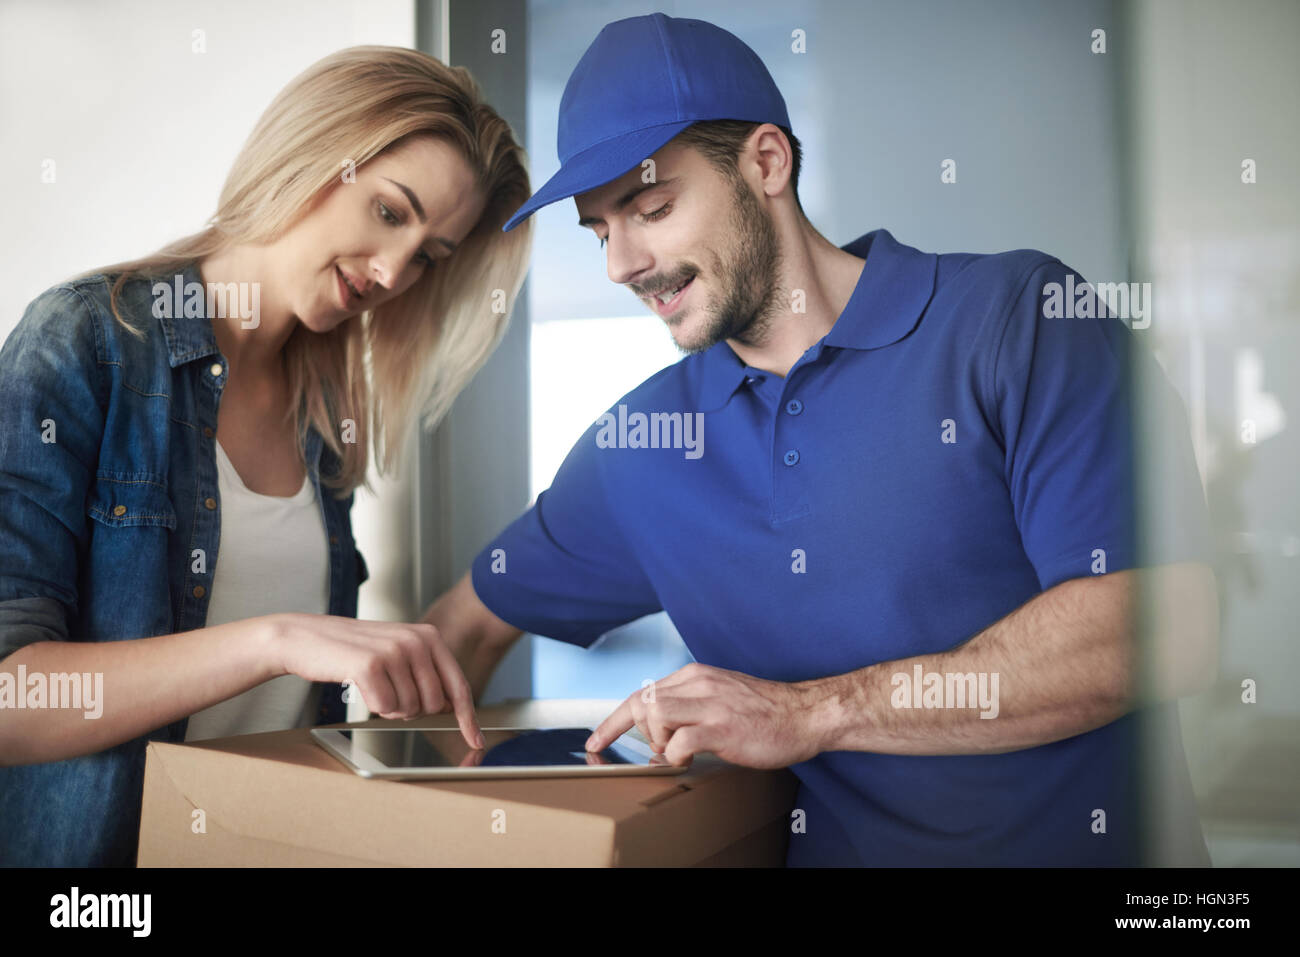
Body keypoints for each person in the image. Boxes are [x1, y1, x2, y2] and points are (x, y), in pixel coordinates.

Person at [420, 14, 1220, 866]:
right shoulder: (640, 448)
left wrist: (809, 711)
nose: (620, 263)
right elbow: (455, 634)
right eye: (600, 229)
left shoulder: (1017, 319)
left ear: (767, 162)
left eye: (651, 207)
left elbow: (1163, 626)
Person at [0, 45, 531, 866]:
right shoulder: (83, 344)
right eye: (390, 212)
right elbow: (13, 698)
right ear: (315, 149)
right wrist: (273, 639)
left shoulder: (324, 413)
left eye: (429, 256)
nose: (394, 272)